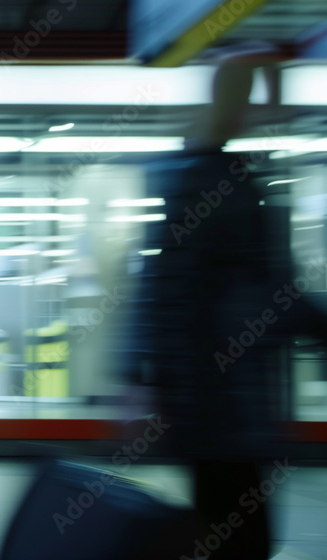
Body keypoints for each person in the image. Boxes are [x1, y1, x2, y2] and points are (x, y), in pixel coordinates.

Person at [122, 47, 327, 560]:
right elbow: (269, 297)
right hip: (225, 405)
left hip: (210, 406)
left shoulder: (199, 182)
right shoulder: (217, 189)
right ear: (236, 109)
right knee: (241, 539)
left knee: (229, 531)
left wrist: (141, 379)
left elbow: (158, 293)